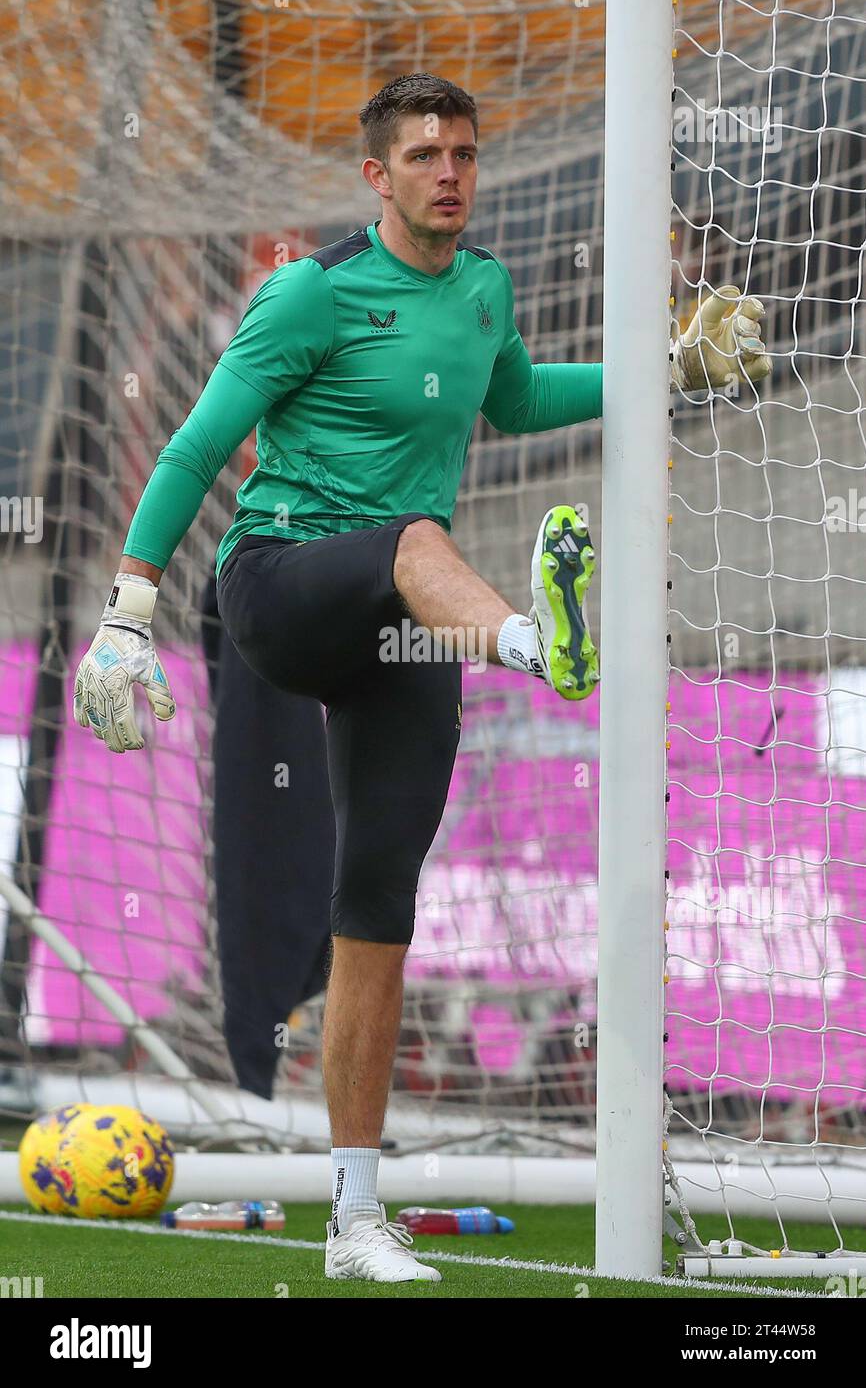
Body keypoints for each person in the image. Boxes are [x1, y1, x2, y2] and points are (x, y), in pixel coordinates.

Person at [72, 72, 770, 1283]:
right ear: (376, 176)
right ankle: (539, 646)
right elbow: (193, 443)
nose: (449, 170)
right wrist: (127, 613)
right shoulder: (311, 293)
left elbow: (520, 401)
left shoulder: (486, 288)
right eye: (423, 154)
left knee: (378, 913)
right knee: (411, 541)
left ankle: (353, 1220)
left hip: (406, 623)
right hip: (284, 586)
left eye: (463, 151)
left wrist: (664, 368)